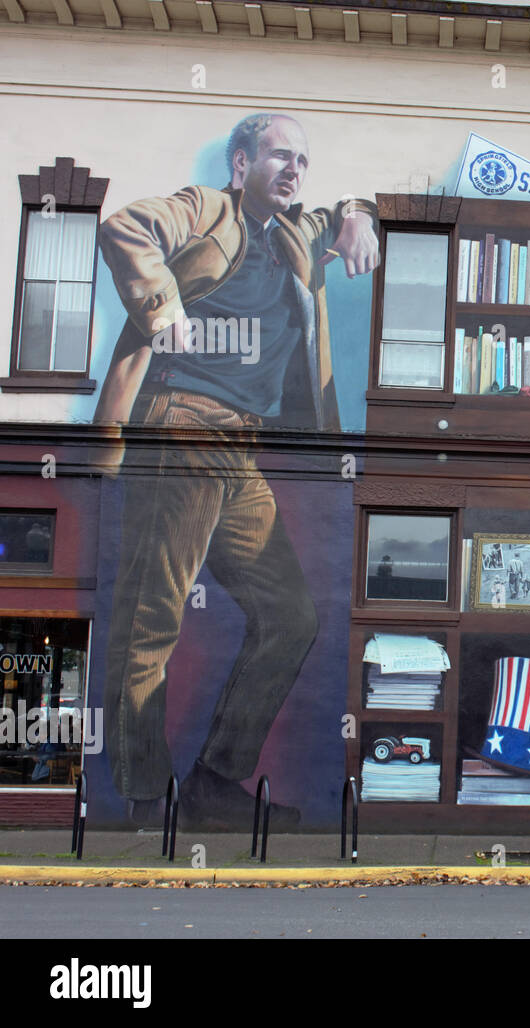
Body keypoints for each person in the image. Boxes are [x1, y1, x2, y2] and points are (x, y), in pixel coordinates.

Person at [95, 113, 380, 830]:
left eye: (304, 161)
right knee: (151, 619)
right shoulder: (204, 208)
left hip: (240, 446)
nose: (295, 170)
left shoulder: (294, 231)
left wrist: (358, 214)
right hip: (180, 421)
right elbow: (125, 226)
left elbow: (346, 210)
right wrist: (162, 311)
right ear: (241, 162)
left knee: (290, 617)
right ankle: (144, 801)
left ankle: (214, 782)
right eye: (281, 156)